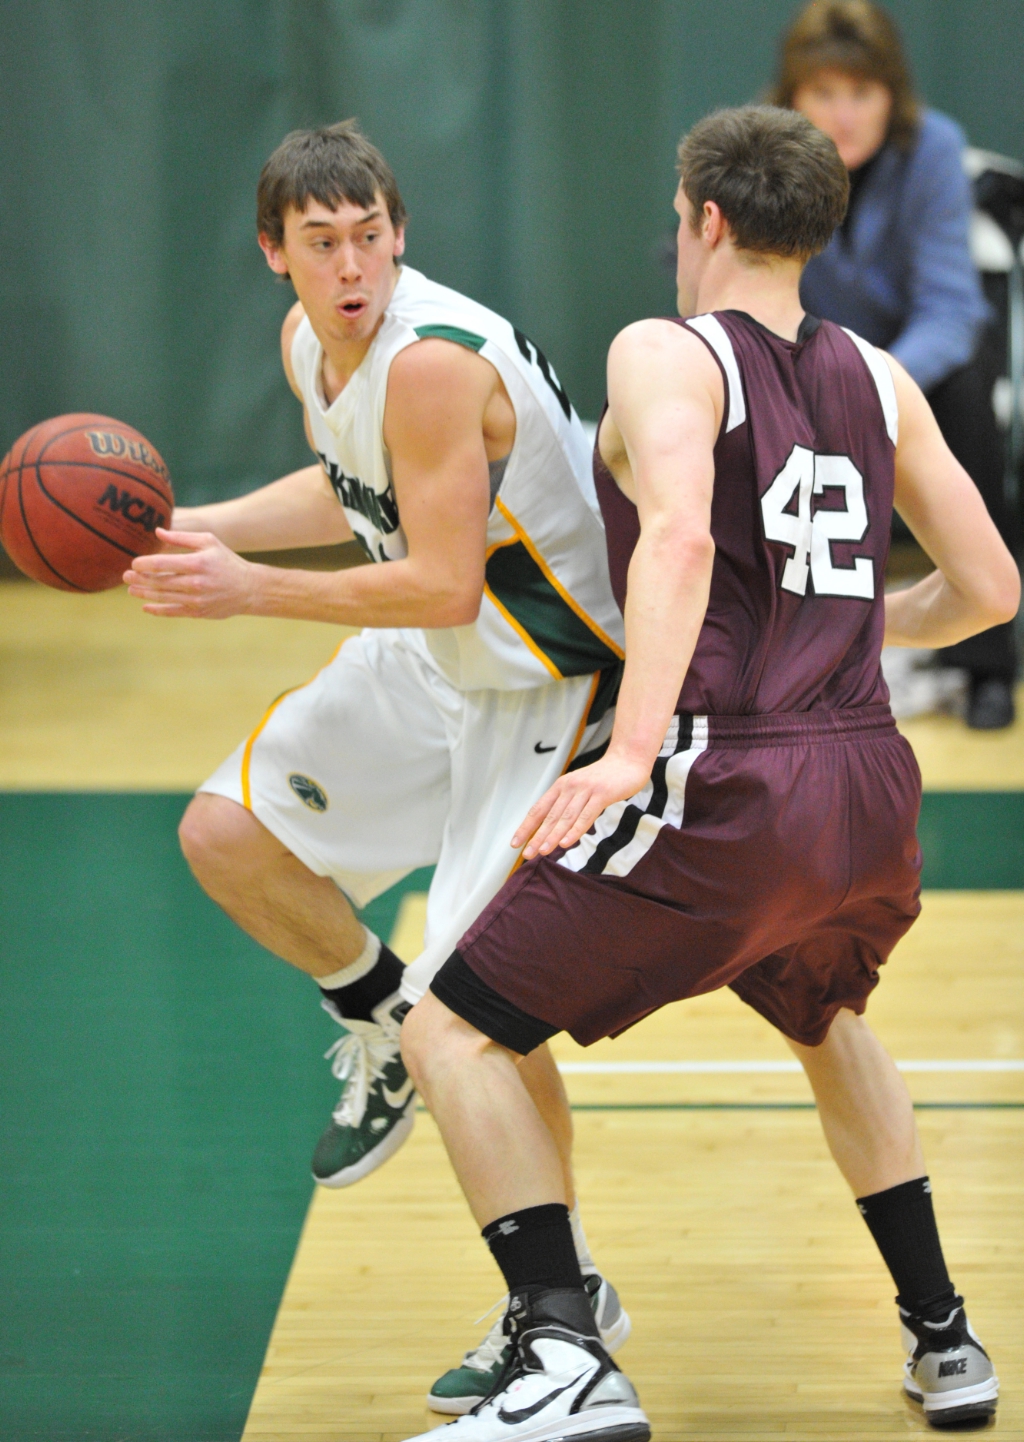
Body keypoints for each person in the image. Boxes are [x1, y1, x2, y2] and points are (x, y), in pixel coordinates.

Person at [401, 104, 1018, 1442]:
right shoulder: (879, 373)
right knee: (825, 1015)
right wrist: (865, 626)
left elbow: (676, 540)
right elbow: (990, 587)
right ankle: (946, 1337)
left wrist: (632, 751)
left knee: (448, 1023)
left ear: (705, 218)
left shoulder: (665, 352)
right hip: (866, 782)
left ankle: (563, 1352)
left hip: (729, 777)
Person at [125, 120, 632, 1408]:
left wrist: (245, 592)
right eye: (320, 242)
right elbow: (360, 489)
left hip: (543, 673)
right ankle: (376, 1010)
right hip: (439, 657)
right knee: (226, 832)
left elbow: (442, 578)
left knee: (486, 1012)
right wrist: (206, 527)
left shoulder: (432, 363)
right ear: (274, 253)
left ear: (398, 233)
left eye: (368, 237)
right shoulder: (313, 342)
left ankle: (561, 1309)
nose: (350, 265)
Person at [773, 0, 1018, 729]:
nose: (842, 115)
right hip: (800, 357)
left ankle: (988, 663)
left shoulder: (933, 148)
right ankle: (773, 658)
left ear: (892, 96)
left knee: (972, 402)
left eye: (862, 93)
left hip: (911, 368)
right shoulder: (766, 149)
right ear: (793, 96)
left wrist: (869, 384)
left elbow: (950, 308)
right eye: (824, 93)